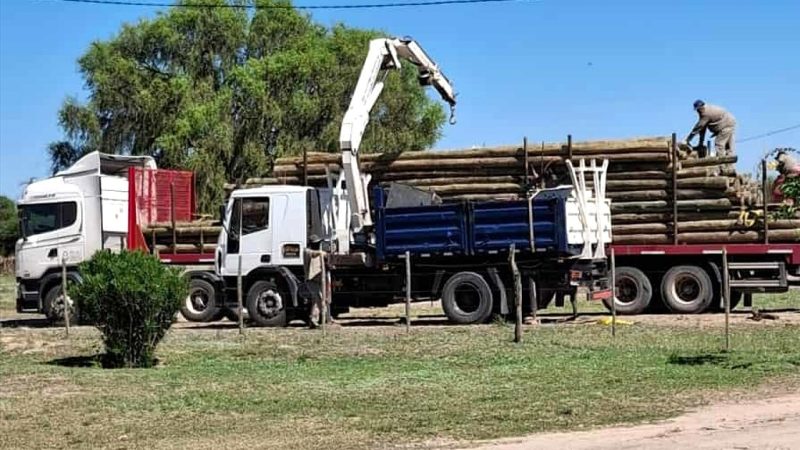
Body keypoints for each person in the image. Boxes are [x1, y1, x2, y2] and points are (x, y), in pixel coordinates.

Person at [303, 235, 331, 328]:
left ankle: (314, 320)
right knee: (318, 299)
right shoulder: (306, 251)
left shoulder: (319, 253)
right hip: (310, 280)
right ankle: (320, 319)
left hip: (318, 279)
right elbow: (313, 254)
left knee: (317, 300)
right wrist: (322, 253)